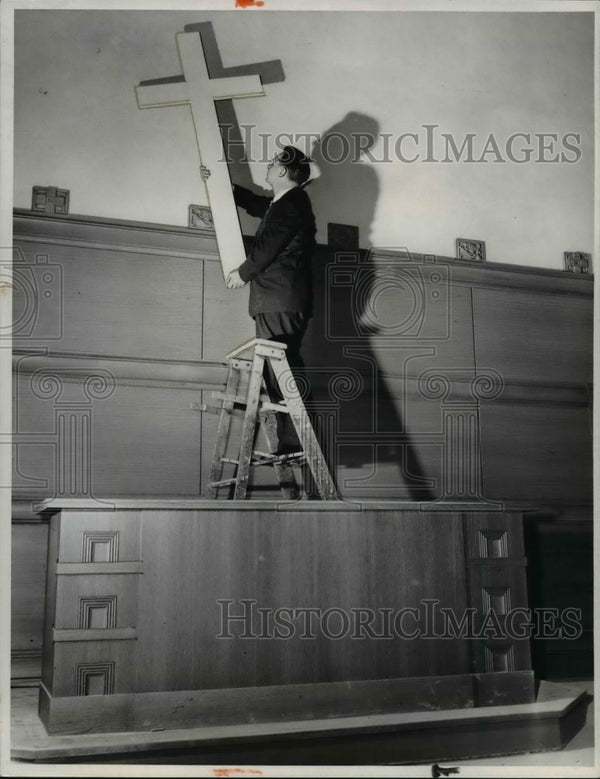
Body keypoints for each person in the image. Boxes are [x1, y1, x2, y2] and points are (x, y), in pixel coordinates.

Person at [201, 145, 316, 455]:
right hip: (278, 299)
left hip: (279, 299)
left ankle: (298, 438)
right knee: (279, 369)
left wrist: (243, 273)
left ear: (282, 171)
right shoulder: (285, 203)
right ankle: (293, 440)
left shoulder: (291, 204)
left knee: (283, 369)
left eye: (271, 164)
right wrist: (222, 185)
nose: (267, 168)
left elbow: (268, 247)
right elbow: (255, 204)